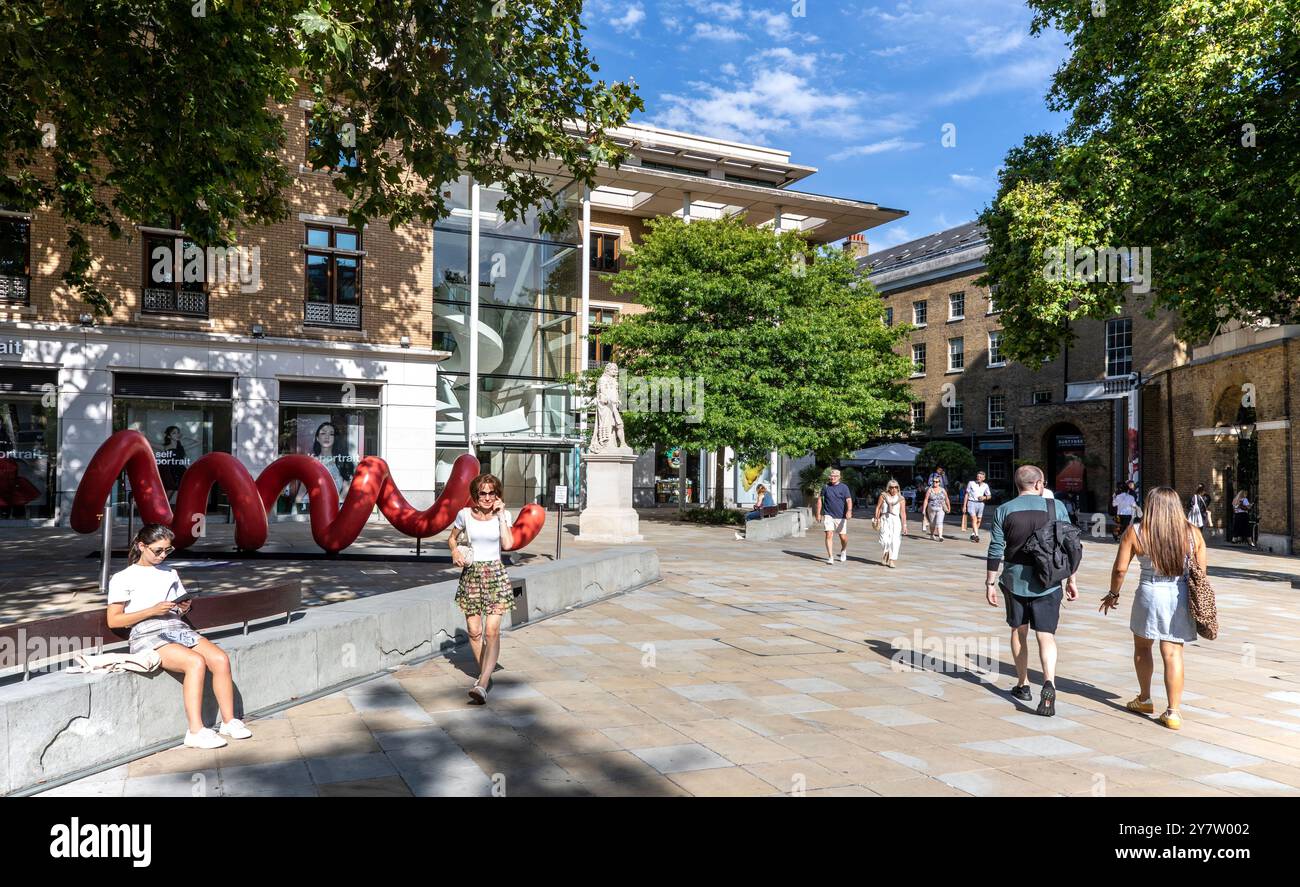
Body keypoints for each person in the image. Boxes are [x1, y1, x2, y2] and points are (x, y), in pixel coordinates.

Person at [106, 524, 252, 749]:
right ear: (141, 546)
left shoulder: (170, 573)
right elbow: (114, 620)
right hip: (146, 632)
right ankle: (195, 730)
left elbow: (175, 607)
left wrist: (182, 608)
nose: (163, 555)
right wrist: (151, 611)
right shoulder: (123, 577)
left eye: (167, 550)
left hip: (175, 627)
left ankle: (228, 721)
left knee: (220, 659)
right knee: (195, 662)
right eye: (158, 550)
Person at [1101, 487, 1202, 730]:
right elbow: (1201, 573)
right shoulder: (1193, 534)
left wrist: (1113, 594)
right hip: (1180, 592)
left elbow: (1120, 569)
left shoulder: (1136, 531)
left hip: (1150, 589)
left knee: (1142, 646)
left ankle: (1145, 698)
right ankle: (1173, 712)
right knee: (1173, 652)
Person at [985, 465, 1079, 717]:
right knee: (1045, 635)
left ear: (1018, 485)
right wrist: (1071, 579)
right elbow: (1069, 545)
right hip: (1048, 580)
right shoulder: (1055, 508)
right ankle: (1049, 682)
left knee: (1019, 631)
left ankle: (1023, 684)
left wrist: (990, 583)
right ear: (1039, 484)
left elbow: (995, 548)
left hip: (1015, 579)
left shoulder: (1004, 510)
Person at [448, 473, 515, 704]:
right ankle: (485, 672)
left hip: (495, 574)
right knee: (474, 631)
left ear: (497, 494)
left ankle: (483, 682)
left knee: (491, 631)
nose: (487, 497)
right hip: (472, 575)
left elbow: (508, 544)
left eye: (491, 493)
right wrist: (455, 551)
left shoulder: (503, 516)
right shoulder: (464, 515)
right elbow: (452, 538)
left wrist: (501, 517)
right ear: (475, 495)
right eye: (482, 493)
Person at [814, 468, 853, 564]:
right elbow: (819, 500)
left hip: (841, 515)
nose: (833, 478)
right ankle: (830, 557)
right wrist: (818, 513)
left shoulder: (844, 487)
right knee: (829, 534)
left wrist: (849, 511)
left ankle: (843, 550)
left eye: (835, 476)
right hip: (828, 514)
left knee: (843, 537)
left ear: (839, 477)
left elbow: (848, 500)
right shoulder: (825, 487)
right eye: (831, 476)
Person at [874, 480, 907, 568]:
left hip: (896, 520)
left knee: (895, 541)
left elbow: (903, 513)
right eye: (892, 487)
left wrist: (904, 525)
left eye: (896, 487)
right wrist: (877, 518)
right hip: (884, 519)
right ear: (888, 488)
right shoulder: (883, 496)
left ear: (898, 488)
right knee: (884, 540)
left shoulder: (901, 498)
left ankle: (892, 560)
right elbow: (878, 507)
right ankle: (886, 553)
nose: (894, 489)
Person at [965, 471, 992, 543]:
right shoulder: (971, 483)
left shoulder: (985, 485)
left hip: (981, 504)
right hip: (971, 503)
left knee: (979, 520)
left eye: (980, 477)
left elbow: (989, 496)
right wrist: (964, 506)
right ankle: (977, 535)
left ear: (984, 478)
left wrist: (984, 497)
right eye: (977, 476)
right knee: (974, 519)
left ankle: (973, 534)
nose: (978, 478)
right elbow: (966, 494)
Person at [921, 475, 950, 541]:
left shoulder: (943, 490)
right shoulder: (930, 490)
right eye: (934, 481)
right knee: (932, 523)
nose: (935, 483)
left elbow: (947, 499)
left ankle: (940, 536)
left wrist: (949, 507)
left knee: (940, 522)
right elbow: (926, 499)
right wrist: (923, 509)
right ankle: (932, 534)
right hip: (931, 508)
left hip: (941, 508)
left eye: (936, 482)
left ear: (939, 482)